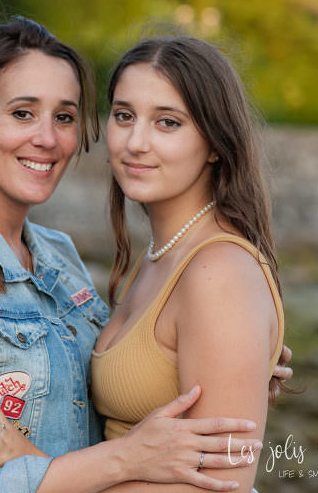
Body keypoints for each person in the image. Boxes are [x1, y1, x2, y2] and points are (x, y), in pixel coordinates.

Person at [0, 17, 273, 493]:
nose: (46, 137)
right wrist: (118, 459)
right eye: (23, 113)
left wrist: (239, 355)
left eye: (63, 117)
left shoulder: (58, 256)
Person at [89, 36, 287, 492]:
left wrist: (41, 473)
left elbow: (224, 484)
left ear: (215, 143)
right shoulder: (160, 255)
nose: (135, 142)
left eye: (168, 122)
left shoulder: (218, 273)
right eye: (124, 116)